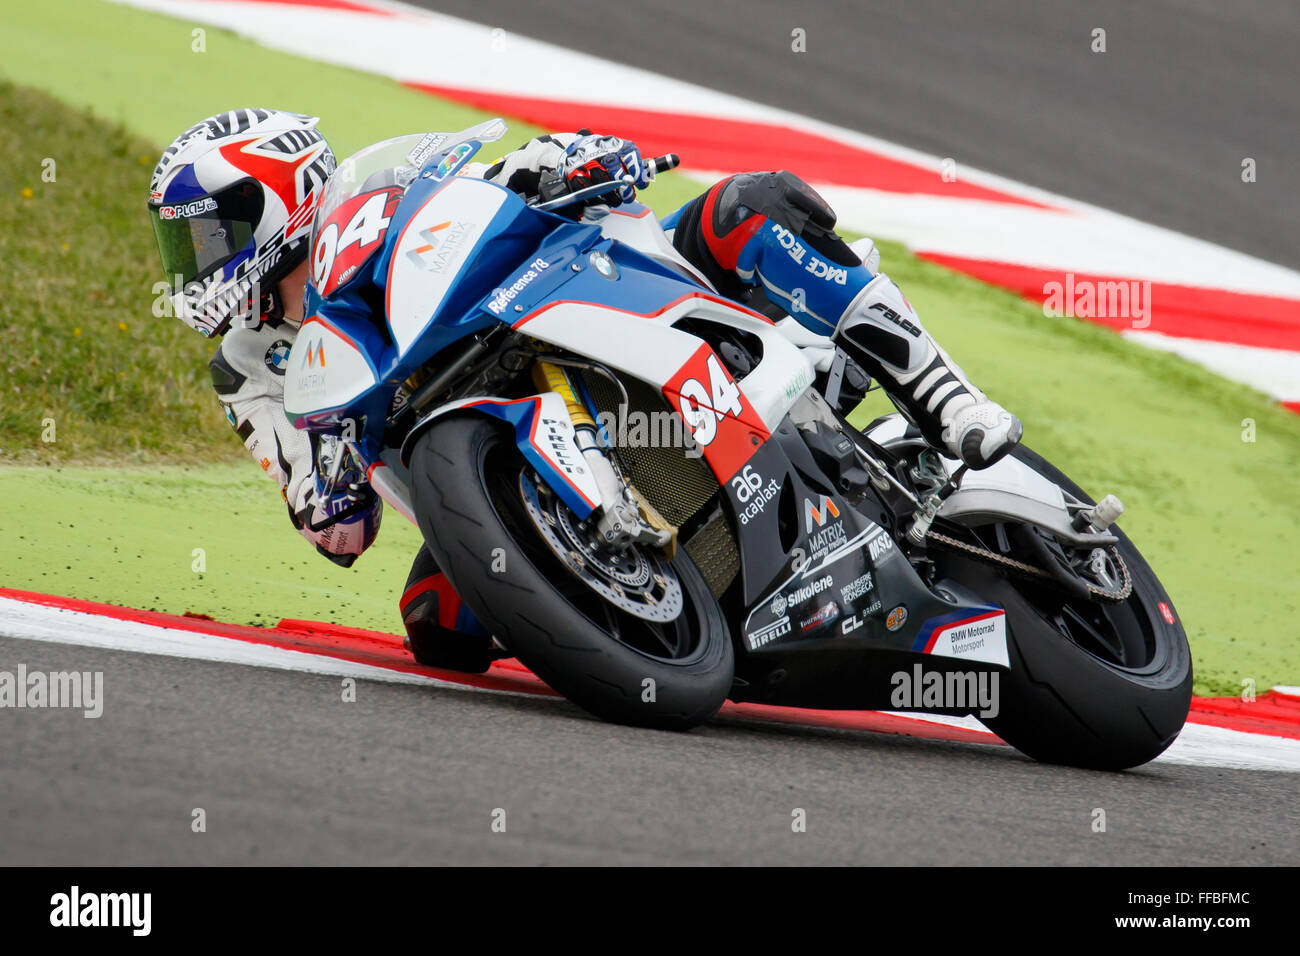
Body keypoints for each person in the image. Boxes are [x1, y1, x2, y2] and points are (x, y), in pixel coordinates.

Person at [147, 110, 1021, 674]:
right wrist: (325, 479)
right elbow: (339, 530)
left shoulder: (374, 192)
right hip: (487, 464)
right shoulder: (248, 372)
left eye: (207, 236)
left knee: (748, 207)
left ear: (276, 200)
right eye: (184, 248)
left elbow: (488, 181)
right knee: (438, 624)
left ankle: (947, 399)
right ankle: (646, 600)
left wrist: (561, 160)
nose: (196, 267)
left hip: (588, 309)